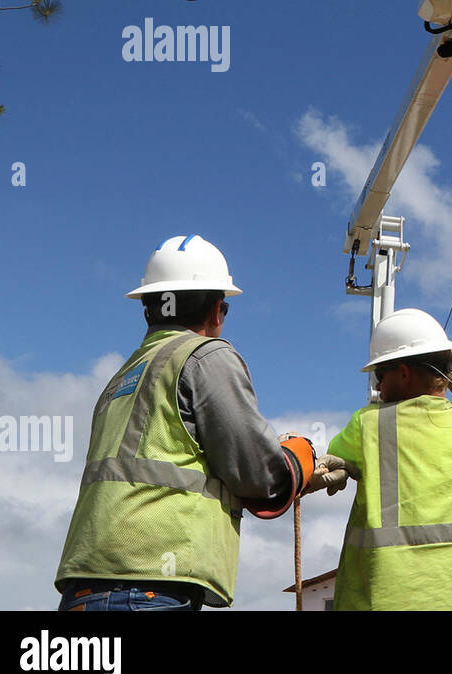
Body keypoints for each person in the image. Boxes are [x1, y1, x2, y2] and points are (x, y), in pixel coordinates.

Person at [54, 235, 317, 611]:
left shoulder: (125, 376)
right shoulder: (204, 356)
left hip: (85, 590)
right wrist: (297, 459)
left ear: (148, 311)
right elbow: (258, 474)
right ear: (216, 311)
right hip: (149, 588)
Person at [323, 308, 452, 610]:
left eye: (380, 375)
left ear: (405, 373)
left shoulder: (369, 425)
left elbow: (333, 455)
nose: (378, 386)